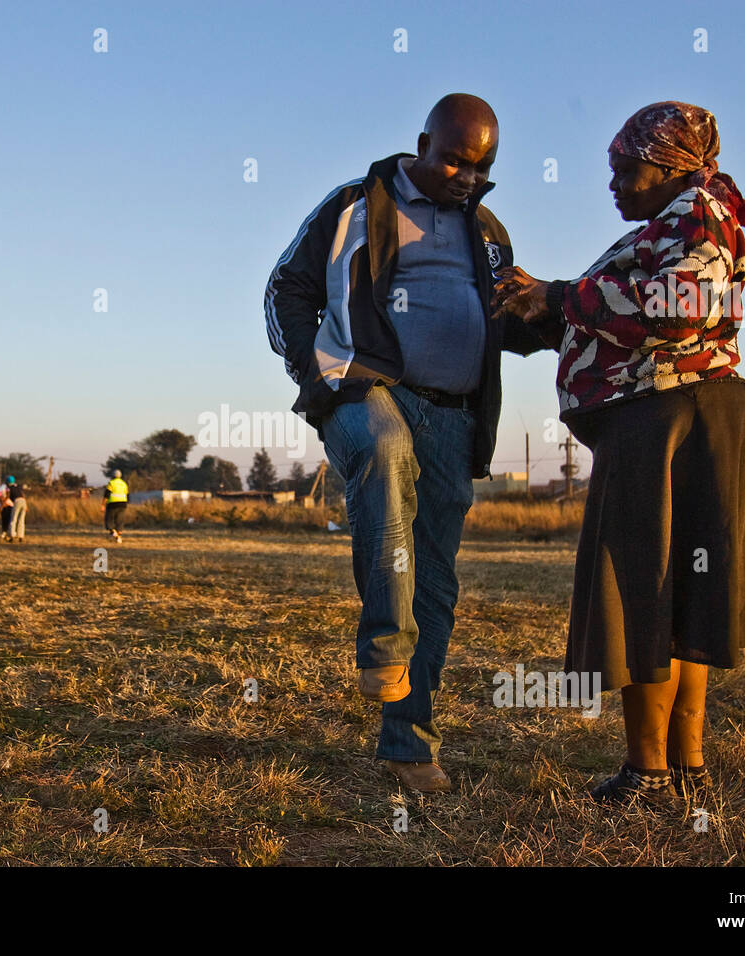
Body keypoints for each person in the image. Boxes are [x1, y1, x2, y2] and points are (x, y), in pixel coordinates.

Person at [264, 93, 553, 792]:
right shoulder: (355, 205)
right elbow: (285, 291)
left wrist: (546, 309)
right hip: (369, 391)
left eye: (481, 165)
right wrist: (320, 369)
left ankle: (408, 745)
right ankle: (382, 647)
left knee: (436, 587)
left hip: (456, 417)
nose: (466, 174)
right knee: (385, 452)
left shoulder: (486, 228)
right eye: (453, 158)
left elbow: (501, 328)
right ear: (422, 142)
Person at [492, 101, 745, 805]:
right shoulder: (679, 222)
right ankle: (685, 768)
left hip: (667, 426)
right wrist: (543, 309)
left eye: (626, 169)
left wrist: (561, 294)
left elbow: (681, 307)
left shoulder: (697, 215)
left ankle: (647, 775)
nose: (613, 183)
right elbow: (629, 320)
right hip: (687, 420)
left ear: (671, 167)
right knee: (679, 600)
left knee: (646, 595)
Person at [103, 469, 128, 542]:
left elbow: (106, 495)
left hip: (112, 504)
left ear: (113, 476)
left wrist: (103, 505)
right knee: (120, 521)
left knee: (109, 520)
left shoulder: (111, 483)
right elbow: (127, 495)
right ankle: (118, 537)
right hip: (123, 504)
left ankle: (113, 533)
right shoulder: (124, 484)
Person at [8, 475, 27, 543]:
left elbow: (10, 498)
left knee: (14, 519)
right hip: (24, 501)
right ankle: (21, 536)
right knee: (21, 519)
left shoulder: (11, 488)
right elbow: (23, 495)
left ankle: (12, 536)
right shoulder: (18, 487)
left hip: (17, 501)